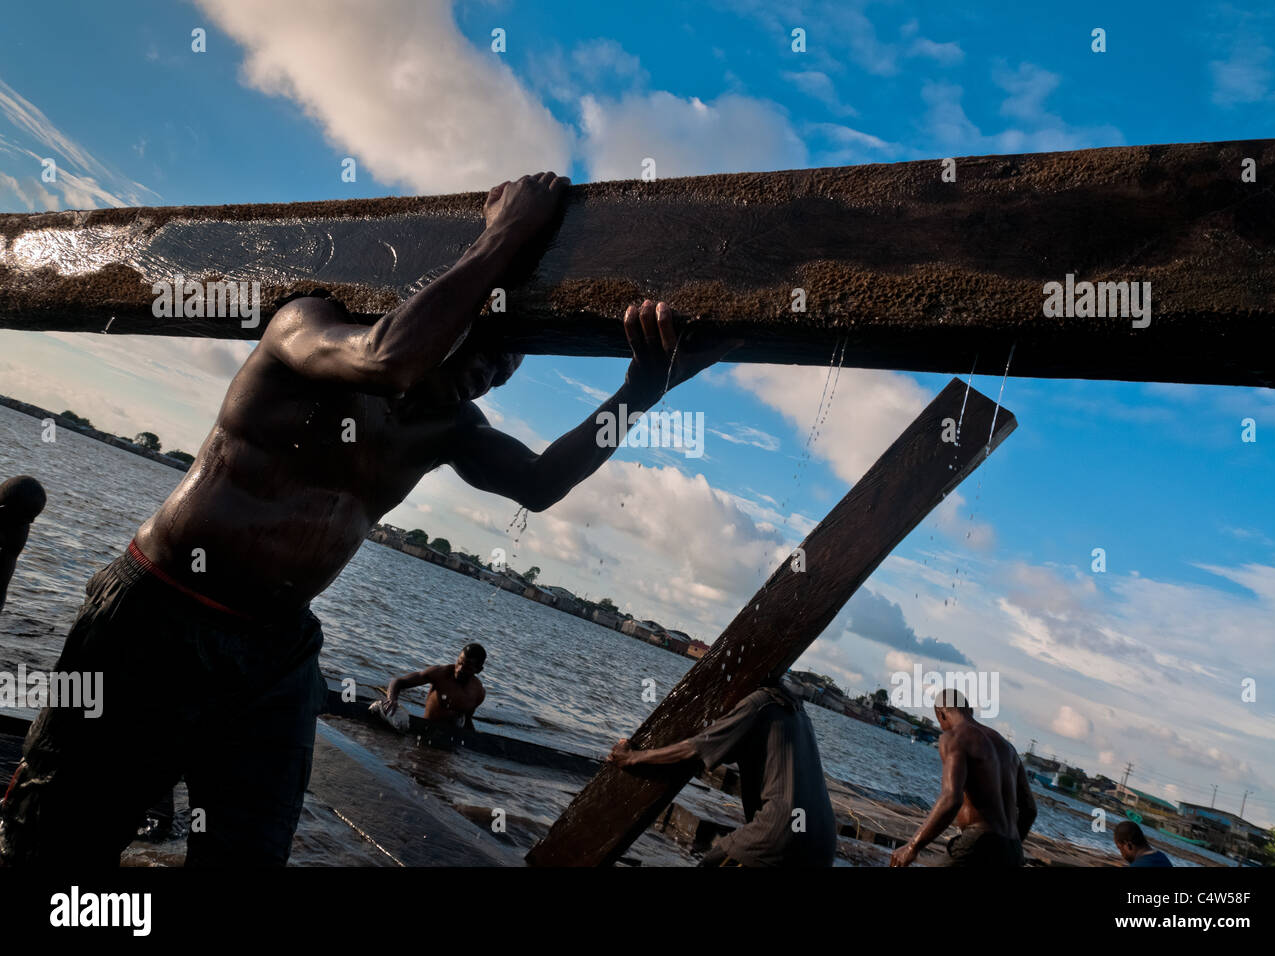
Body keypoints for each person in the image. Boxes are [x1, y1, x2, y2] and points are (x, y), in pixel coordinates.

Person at [0, 170, 737, 867]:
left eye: (508, 367)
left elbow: (541, 485)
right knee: (59, 840)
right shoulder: (305, 327)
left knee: (248, 850)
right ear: (437, 303)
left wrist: (643, 389)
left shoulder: (450, 428)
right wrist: (504, 235)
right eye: (485, 349)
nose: (494, 372)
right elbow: (386, 358)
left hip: (279, 652)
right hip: (163, 614)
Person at [608, 678, 837, 867]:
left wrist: (633, 757)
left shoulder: (758, 703)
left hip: (779, 832)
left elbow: (695, 749)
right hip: (823, 842)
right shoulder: (796, 711)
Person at [890, 688, 1036, 867]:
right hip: (1013, 848)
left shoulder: (954, 737)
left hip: (978, 842)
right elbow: (1029, 809)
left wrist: (912, 846)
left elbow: (951, 799)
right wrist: (1007, 848)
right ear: (970, 711)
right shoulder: (1009, 749)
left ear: (941, 715)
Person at [381, 643, 486, 731]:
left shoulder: (478, 693)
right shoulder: (440, 674)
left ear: (478, 670)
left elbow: (467, 719)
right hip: (426, 729)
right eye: (459, 663)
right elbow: (398, 682)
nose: (459, 669)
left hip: (450, 738)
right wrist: (391, 699)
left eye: (467, 667)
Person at [0, 475, 46, 616]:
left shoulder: (20, 525)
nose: (31, 521)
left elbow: (2, 582)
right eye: (27, 514)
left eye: (34, 515)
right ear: (5, 508)